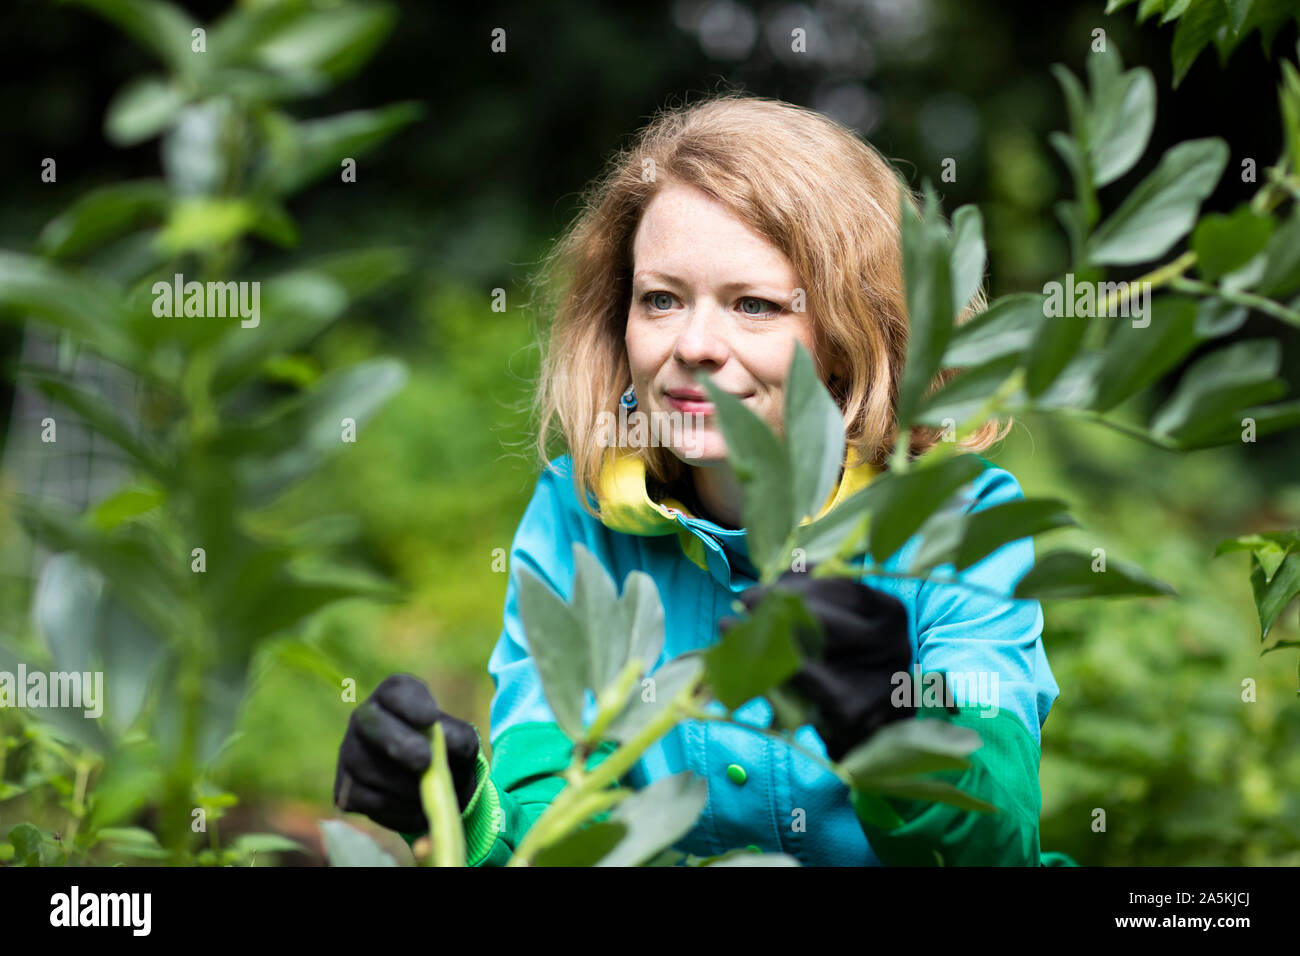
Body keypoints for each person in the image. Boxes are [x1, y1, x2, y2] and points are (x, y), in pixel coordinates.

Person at [334, 92, 1070, 866]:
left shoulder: (961, 526)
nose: (693, 344)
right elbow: (555, 817)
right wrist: (456, 811)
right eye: (661, 299)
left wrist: (900, 732)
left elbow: (999, 843)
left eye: (753, 305)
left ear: (853, 340)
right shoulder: (575, 519)